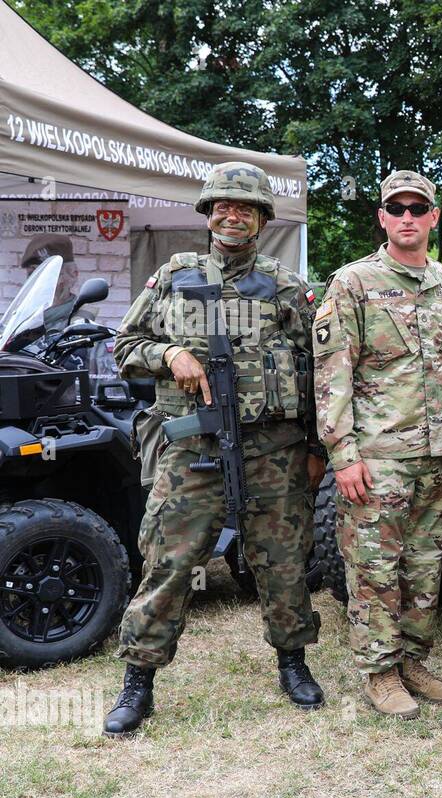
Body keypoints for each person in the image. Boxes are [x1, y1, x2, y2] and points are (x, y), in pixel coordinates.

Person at [103, 162, 326, 736]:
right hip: (192, 446)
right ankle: (138, 680)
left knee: (283, 563)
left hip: (275, 448)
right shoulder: (174, 276)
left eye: (245, 208)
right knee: (170, 560)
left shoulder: (286, 286)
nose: (232, 216)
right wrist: (169, 354)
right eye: (222, 206)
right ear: (207, 215)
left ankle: (293, 663)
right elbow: (124, 345)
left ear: (261, 219)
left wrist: (318, 448)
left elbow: (322, 370)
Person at [313, 170, 442, 719]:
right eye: (396, 208)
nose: (407, 217)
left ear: (433, 217)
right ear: (381, 217)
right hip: (377, 458)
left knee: (426, 568)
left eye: (416, 208)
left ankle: (414, 661)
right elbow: (332, 375)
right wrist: (343, 455)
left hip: (435, 454)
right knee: (376, 570)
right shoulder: (353, 283)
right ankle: (380, 672)